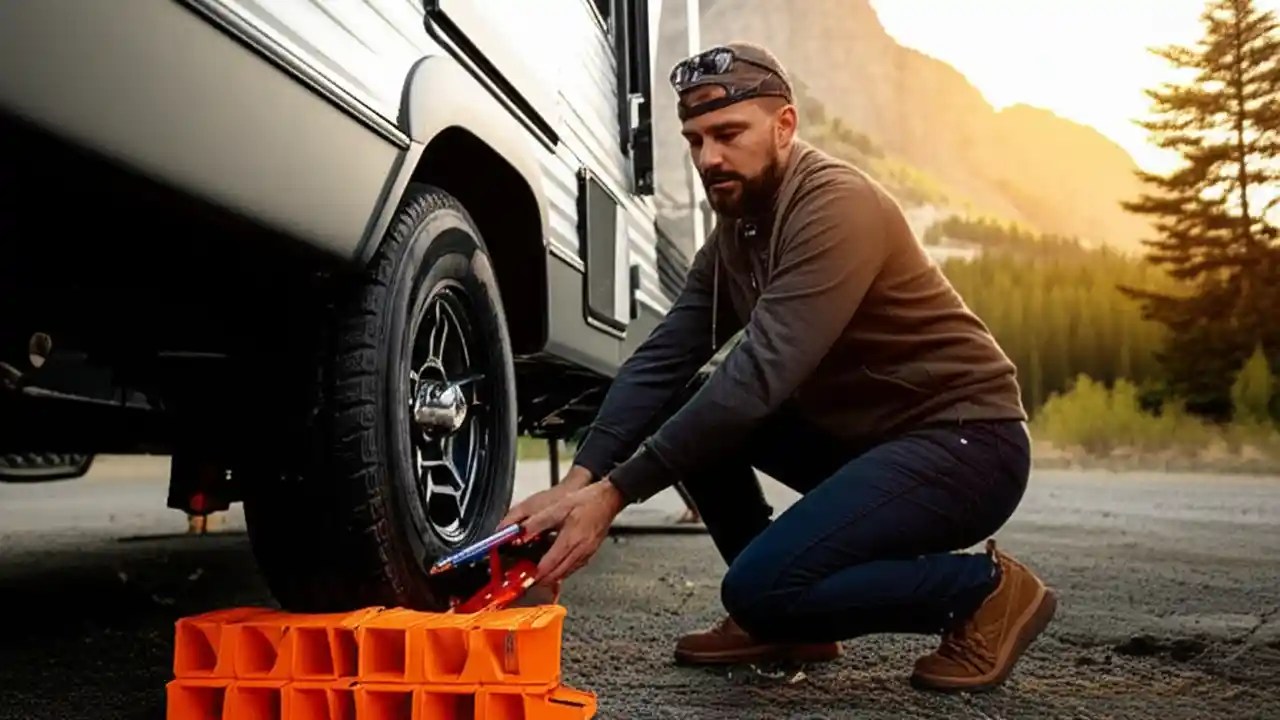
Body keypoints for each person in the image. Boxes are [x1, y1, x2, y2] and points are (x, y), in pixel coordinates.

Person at [502, 41, 1057, 693]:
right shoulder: (738, 234)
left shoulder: (836, 205)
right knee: (691, 398)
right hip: (871, 446)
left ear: (784, 125)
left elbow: (761, 376)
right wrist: (580, 481)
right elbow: (661, 360)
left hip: (966, 444)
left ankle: (983, 592)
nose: (710, 157)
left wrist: (617, 493)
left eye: (729, 134)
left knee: (759, 583)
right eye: (696, 140)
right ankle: (782, 618)